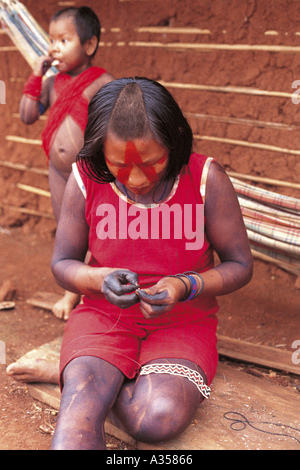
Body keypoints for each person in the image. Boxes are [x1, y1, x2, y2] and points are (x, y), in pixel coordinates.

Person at [47, 77, 253, 450]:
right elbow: (63, 262)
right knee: (76, 423)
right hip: (104, 316)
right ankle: (88, 379)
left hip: (183, 322)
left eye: (152, 162)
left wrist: (184, 285)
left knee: (157, 417)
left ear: (174, 140)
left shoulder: (206, 177)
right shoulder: (86, 177)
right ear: (98, 150)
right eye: (119, 165)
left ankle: (90, 379)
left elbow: (240, 264)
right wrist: (98, 278)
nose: (137, 179)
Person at [18, 6, 114, 320]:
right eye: (51, 39)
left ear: (89, 45)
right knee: (67, 230)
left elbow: (117, 126)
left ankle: (81, 293)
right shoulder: (51, 82)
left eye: (64, 39)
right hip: (58, 171)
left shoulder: (103, 83)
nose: (54, 47)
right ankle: (73, 288)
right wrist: (36, 74)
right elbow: (27, 115)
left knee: (94, 230)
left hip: (90, 172)